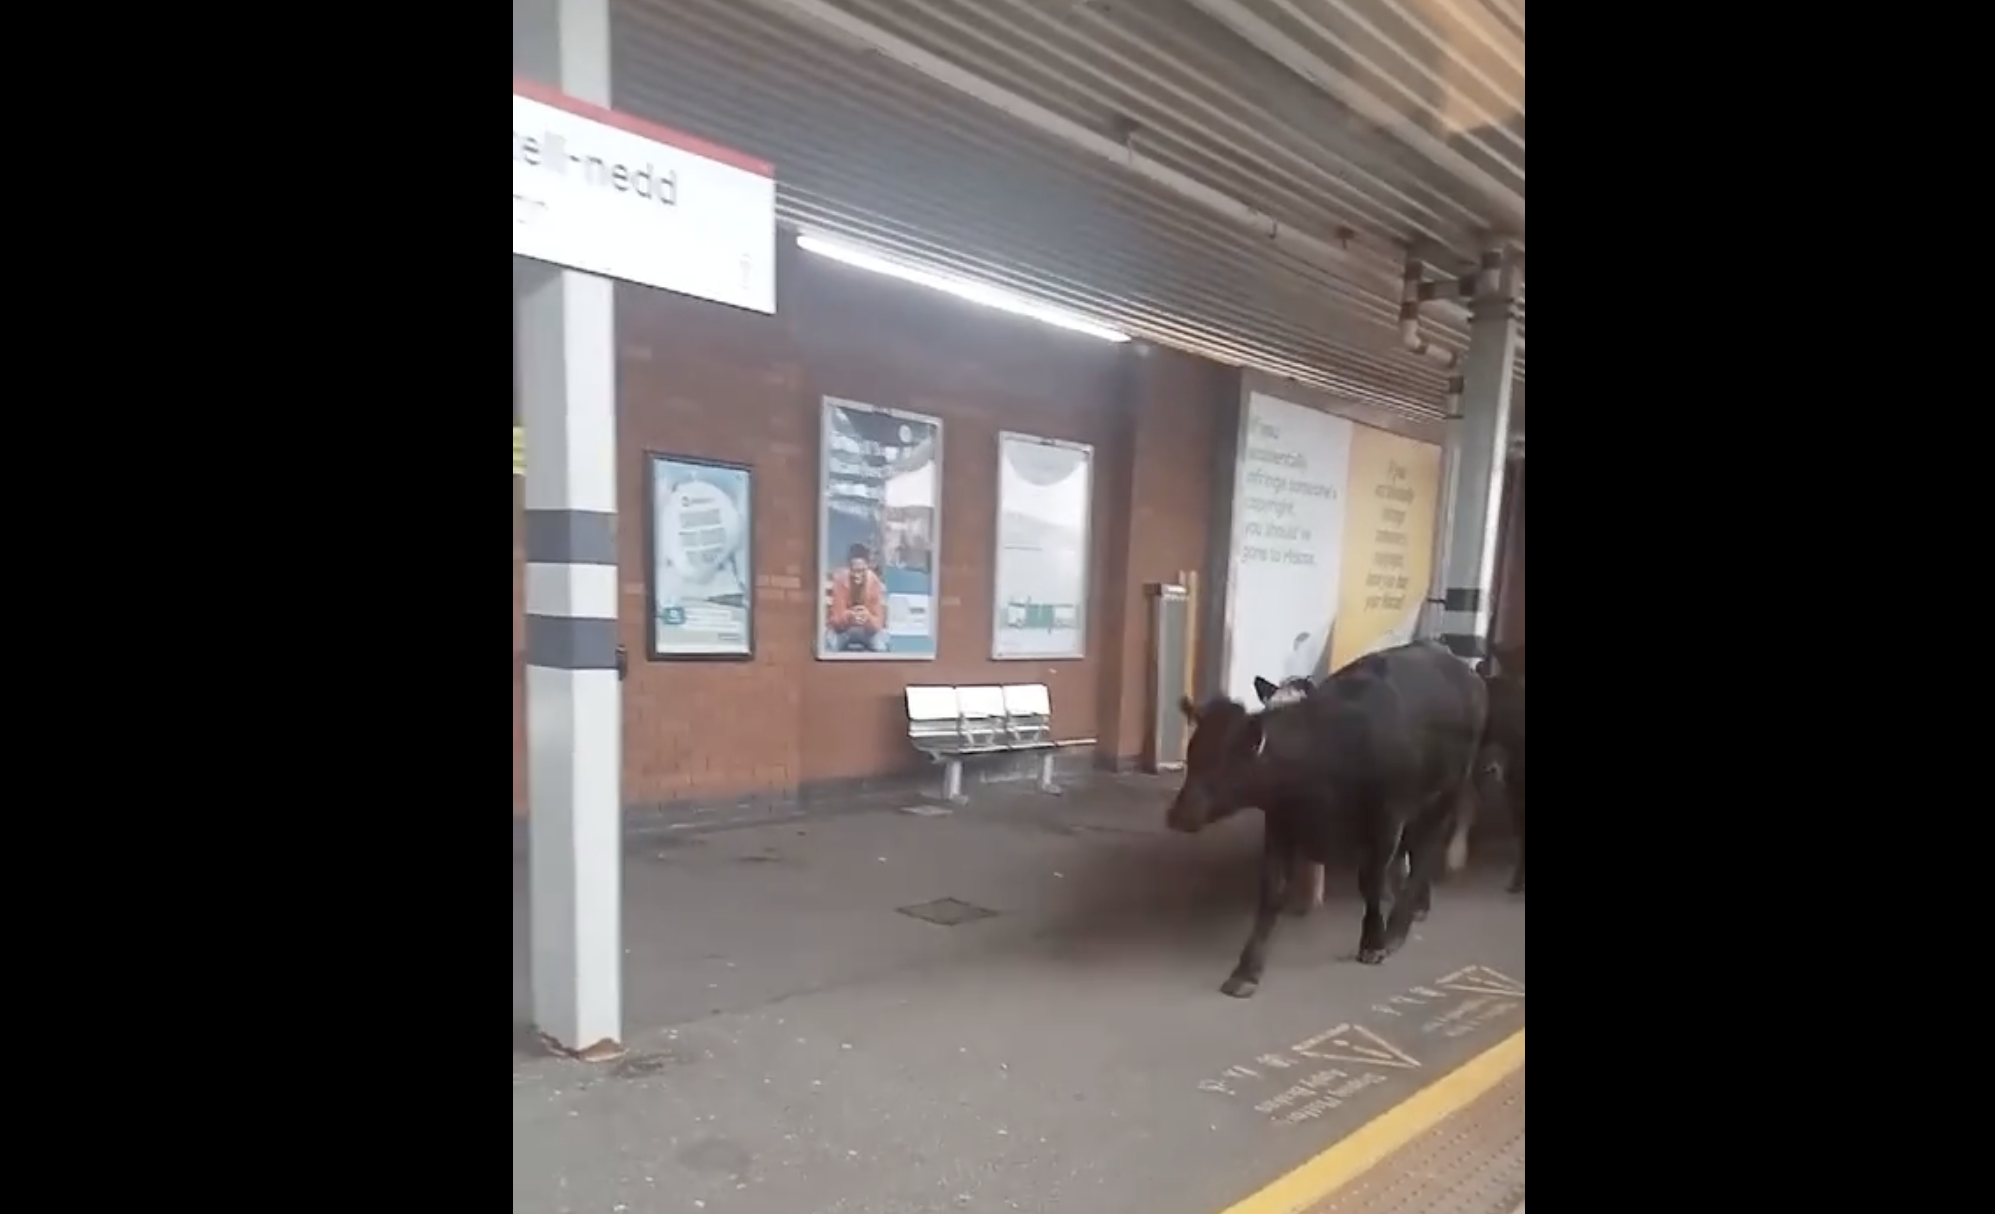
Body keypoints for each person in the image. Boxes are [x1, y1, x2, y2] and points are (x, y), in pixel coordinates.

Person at [824, 542, 889, 652]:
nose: (858, 576)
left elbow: (878, 624)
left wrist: (867, 617)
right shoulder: (840, 581)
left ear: (867, 568)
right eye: (855, 571)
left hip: (867, 631)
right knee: (829, 644)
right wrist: (849, 616)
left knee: (881, 645)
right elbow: (835, 621)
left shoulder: (874, 583)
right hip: (844, 630)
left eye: (862, 571)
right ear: (849, 569)